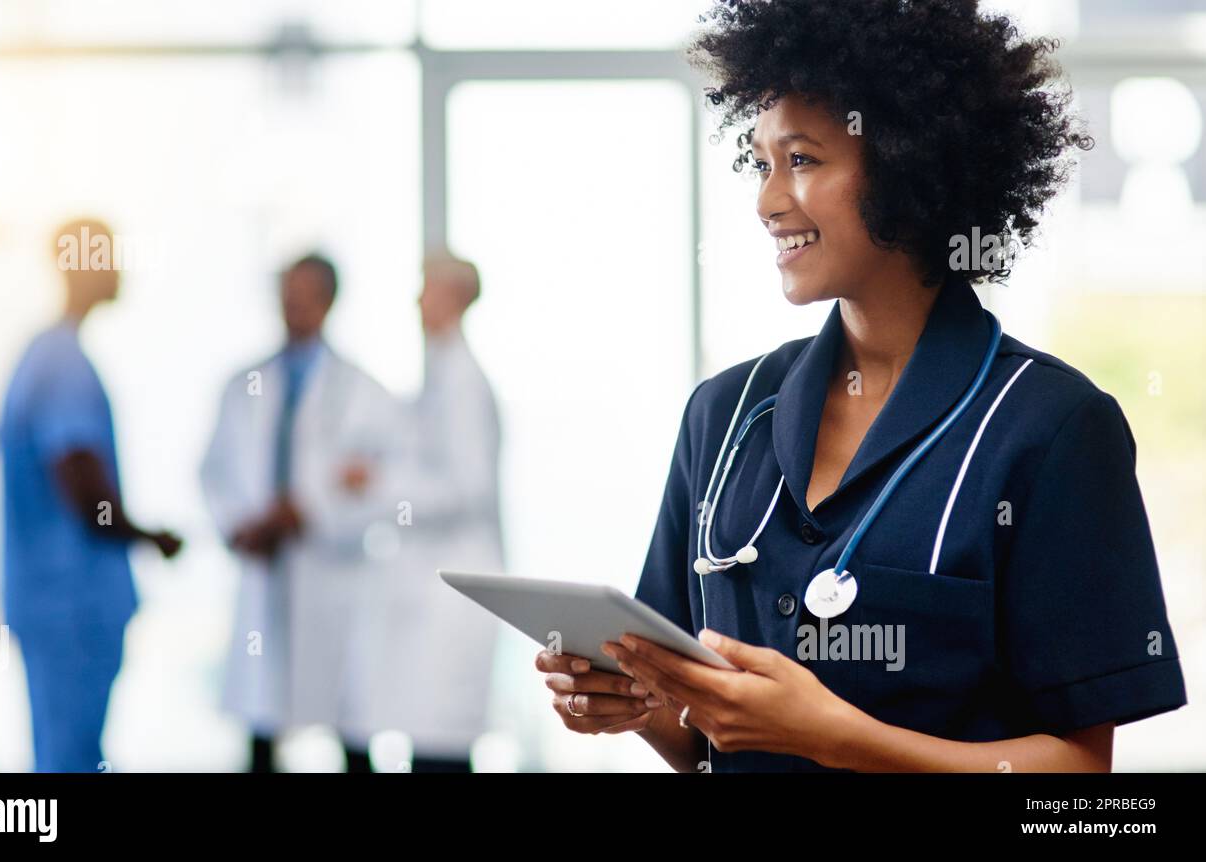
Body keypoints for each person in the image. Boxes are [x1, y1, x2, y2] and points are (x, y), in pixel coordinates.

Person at [536, 0, 1187, 773]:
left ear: (911, 163)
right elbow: (712, 742)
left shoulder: (1052, 429)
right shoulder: (724, 415)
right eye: (761, 163)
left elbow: (1078, 779)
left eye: (803, 160)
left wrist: (830, 735)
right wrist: (640, 709)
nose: (768, 200)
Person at [200, 252, 404, 773]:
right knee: (261, 728)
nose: (293, 303)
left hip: (332, 579)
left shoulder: (362, 392)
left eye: (305, 292)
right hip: (264, 571)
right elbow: (214, 471)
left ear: (329, 300)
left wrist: (307, 512)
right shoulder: (243, 384)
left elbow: (380, 489)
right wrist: (241, 525)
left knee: (349, 730)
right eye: (286, 291)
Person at [0, 217, 183, 773]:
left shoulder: (47, 354)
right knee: (71, 760)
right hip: (72, 603)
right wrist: (150, 536)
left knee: (65, 753)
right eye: (110, 254)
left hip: (54, 599)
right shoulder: (63, 364)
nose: (120, 265)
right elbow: (81, 483)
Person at [343, 250, 503, 772]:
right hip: (429, 591)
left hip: (453, 595)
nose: (417, 300)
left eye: (427, 288)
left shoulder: (463, 384)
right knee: (426, 736)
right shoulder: (438, 378)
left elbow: (466, 488)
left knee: (442, 745)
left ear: (455, 298)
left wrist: (378, 482)